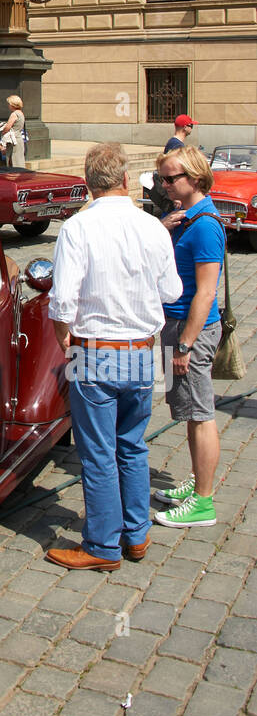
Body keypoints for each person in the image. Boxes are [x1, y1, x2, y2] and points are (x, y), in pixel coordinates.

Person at [46, 143, 183, 571]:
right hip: (142, 351)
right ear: (125, 181)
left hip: (96, 351)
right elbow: (172, 292)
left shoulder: (77, 228)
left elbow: (62, 302)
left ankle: (103, 546)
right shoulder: (153, 228)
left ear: (89, 184)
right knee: (132, 445)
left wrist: (63, 341)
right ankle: (136, 535)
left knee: (99, 452)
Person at [153, 145, 225, 529]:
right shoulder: (183, 218)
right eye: (161, 178)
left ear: (194, 178)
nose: (164, 185)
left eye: (170, 178)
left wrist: (184, 345)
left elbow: (206, 292)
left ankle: (204, 502)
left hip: (189, 330)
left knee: (199, 414)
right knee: (188, 410)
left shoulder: (205, 226)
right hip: (176, 326)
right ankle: (199, 481)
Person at [0, 95, 26, 168]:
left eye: (9, 104)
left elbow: (8, 127)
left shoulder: (14, 114)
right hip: (19, 139)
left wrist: (3, 132)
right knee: (19, 160)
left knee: (13, 161)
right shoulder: (21, 113)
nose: (8, 105)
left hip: (13, 141)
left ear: (13, 104)